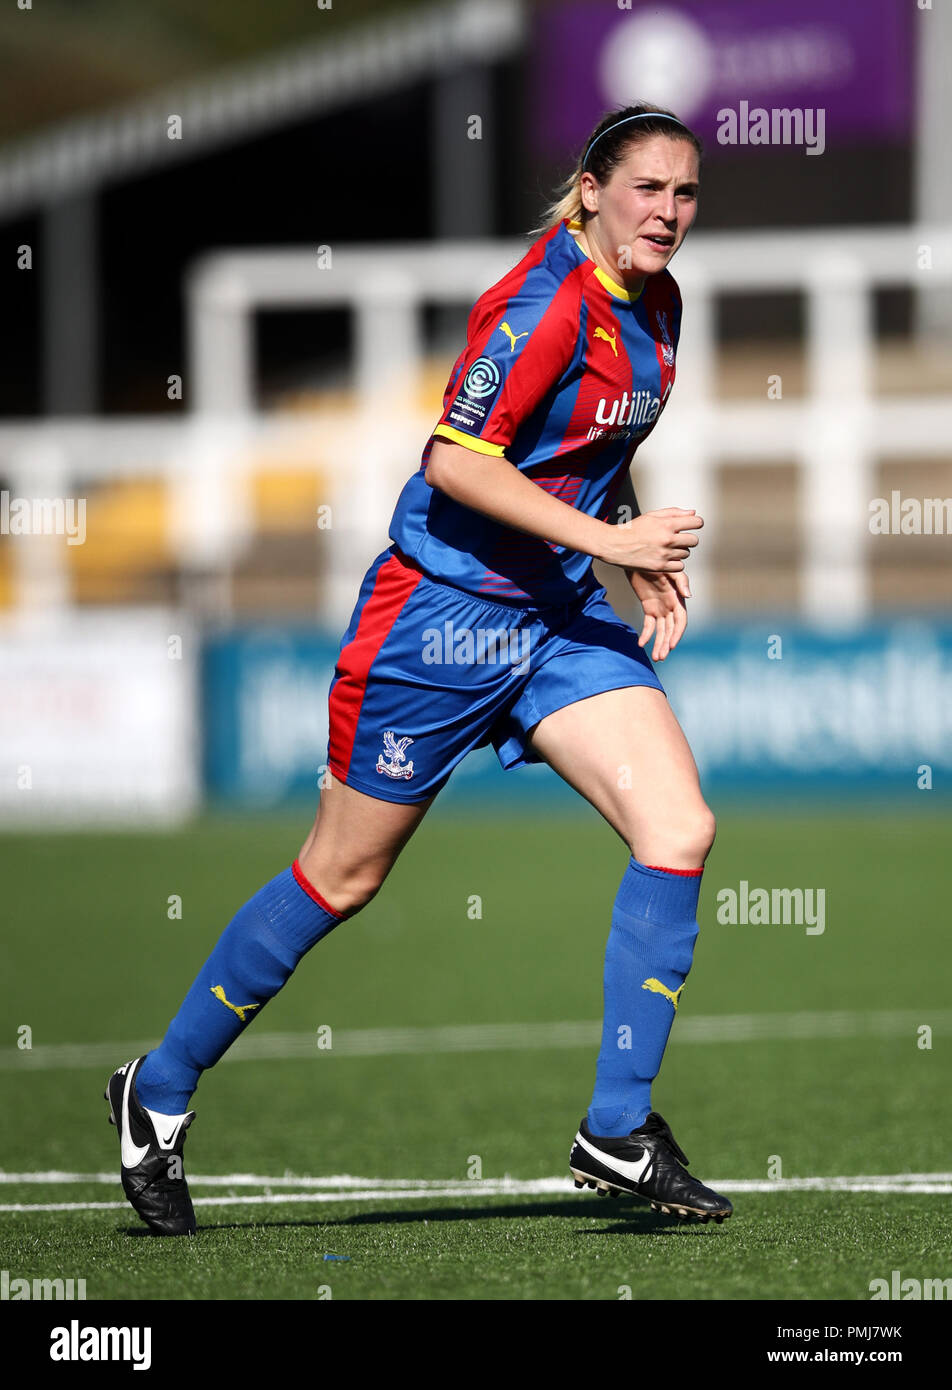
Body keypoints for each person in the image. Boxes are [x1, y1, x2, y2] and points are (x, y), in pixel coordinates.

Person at [105, 101, 732, 1234]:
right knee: (341, 878)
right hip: (438, 622)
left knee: (678, 828)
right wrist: (613, 546)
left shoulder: (659, 304)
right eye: (647, 189)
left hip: (548, 615)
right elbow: (453, 460)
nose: (669, 214)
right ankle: (155, 1092)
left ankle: (617, 1126)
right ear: (590, 189)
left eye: (686, 194)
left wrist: (625, 550)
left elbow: (593, 451)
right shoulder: (541, 304)